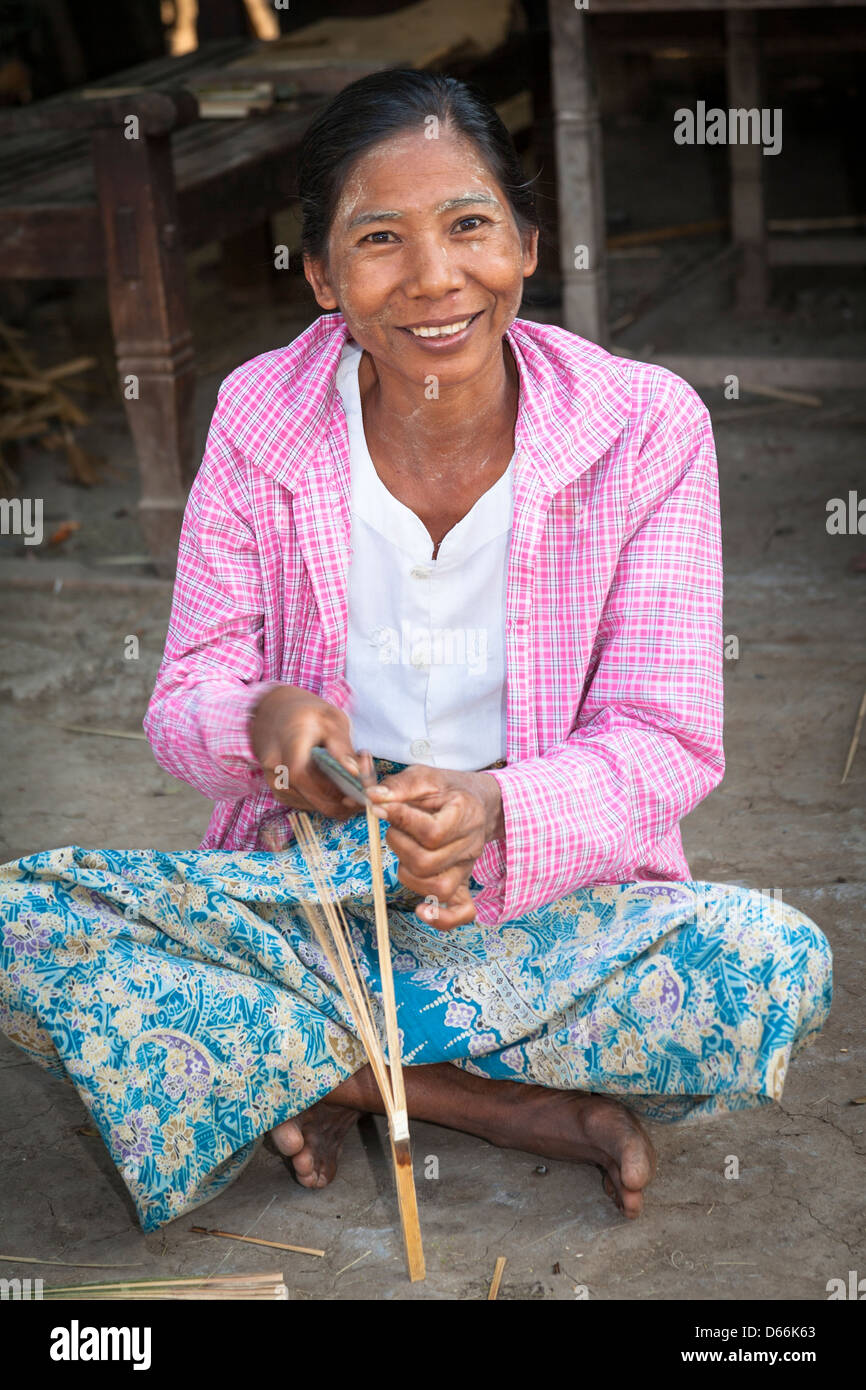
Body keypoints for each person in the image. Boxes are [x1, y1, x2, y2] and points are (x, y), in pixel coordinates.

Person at [0, 71, 832, 1233]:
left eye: (468, 225)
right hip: (311, 889)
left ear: (526, 245)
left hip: (543, 900)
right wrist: (263, 729)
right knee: (24, 920)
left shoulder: (643, 426)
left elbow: (668, 738)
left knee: (771, 963)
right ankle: (485, 1099)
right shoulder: (260, 415)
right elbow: (186, 689)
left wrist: (495, 808)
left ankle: (301, 1054)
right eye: (379, 239)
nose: (435, 278)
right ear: (323, 278)